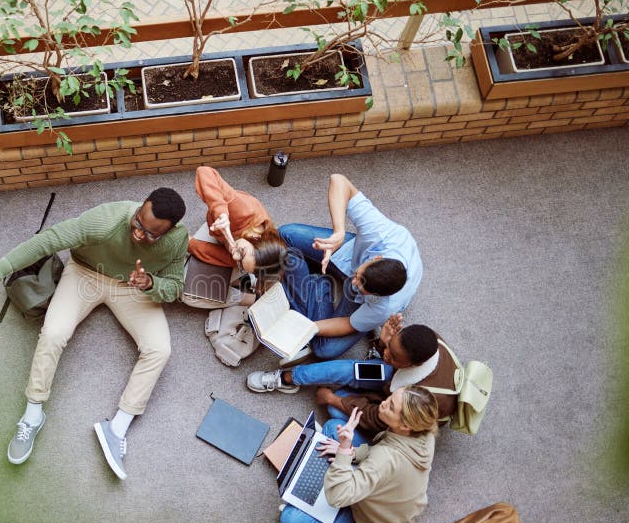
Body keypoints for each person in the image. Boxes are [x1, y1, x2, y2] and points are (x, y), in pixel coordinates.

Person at [0, 188, 188, 479]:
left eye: (151, 235)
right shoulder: (107, 220)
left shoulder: (177, 241)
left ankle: (117, 429)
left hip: (132, 287)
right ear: (139, 209)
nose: (139, 234)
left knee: (160, 349)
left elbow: (175, 288)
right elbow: (50, 239)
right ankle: (33, 413)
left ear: (169, 231)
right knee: (53, 333)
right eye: (138, 223)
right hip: (85, 273)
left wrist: (150, 282)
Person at [278, 173, 422, 361]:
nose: (353, 282)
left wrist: (305, 326)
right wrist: (339, 232)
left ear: (374, 296)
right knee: (285, 234)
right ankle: (315, 284)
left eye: (360, 286)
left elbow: (348, 324)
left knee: (324, 350)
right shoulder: (381, 234)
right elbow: (339, 180)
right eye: (357, 275)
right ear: (375, 258)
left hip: (367, 305)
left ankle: (320, 286)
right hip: (350, 250)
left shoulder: (384, 307)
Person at [247, 314, 457, 441]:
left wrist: (332, 399)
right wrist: (383, 342)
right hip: (393, 387)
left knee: (333, 408)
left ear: (413, 365)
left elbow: (378, 417)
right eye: (391, 347)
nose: (386, 355)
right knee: (349, 369)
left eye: (393, 356)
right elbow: (389, 358)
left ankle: (340, 394)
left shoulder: (419, 401)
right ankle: (289, 378)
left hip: (391, 416)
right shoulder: (429, 340)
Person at [279, 386, 439, 523]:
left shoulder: (383, 459)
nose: (384, 402)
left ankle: (317, 491)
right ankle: (322, 485)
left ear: (405, 426)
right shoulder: (426, 433)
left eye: (391, 406)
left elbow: (337, 497)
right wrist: (352, 452)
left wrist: (343, 450)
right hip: (387, 495)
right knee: (333, 426)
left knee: (290, 519)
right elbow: (377, 453)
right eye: (390, 397)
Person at [184, 166, 287, 308]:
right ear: (255, 238)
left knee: (190, 296)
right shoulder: (242, 209)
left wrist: (188, 243)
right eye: (242, 254)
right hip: (217, 226)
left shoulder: (244, 253)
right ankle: (243, 280)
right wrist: (222, 212)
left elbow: (225, 257)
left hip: (224, 239)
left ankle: (246, 295)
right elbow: (204, 171)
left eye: (241, 262)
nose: (235, 257)